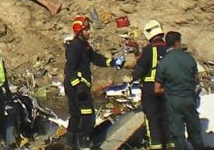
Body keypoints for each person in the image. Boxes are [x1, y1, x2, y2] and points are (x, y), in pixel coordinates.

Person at [64, 15, 123, 150]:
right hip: (77, 88)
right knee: (88, 116)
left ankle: (70, 144)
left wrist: (112, 62)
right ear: (80, 31)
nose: (90, 32)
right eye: (87, 30)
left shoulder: (84, 46)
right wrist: (78, 85)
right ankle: (83, 143)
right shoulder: (74, 46)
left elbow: (95, 58)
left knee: (76, 115)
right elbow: (69, 69)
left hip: (79, 87)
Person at [155, 32, 203, 150]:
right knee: (195, 132)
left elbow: (157, 89)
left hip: (173, 101)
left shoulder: (163, 62)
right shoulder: (189, 58)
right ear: (177, 42)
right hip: (189, 99)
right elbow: (196, 79)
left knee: (178, 135)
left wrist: (168, 90)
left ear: (167, 44)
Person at [132, 20, 169, 150]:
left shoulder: (148, 50)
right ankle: (171, 145)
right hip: (167, 88)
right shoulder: (169, 49)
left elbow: (138, 71)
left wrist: (134, 74)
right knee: (167, 117)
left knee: (153, 119)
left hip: (150, 89)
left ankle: (156, 146)